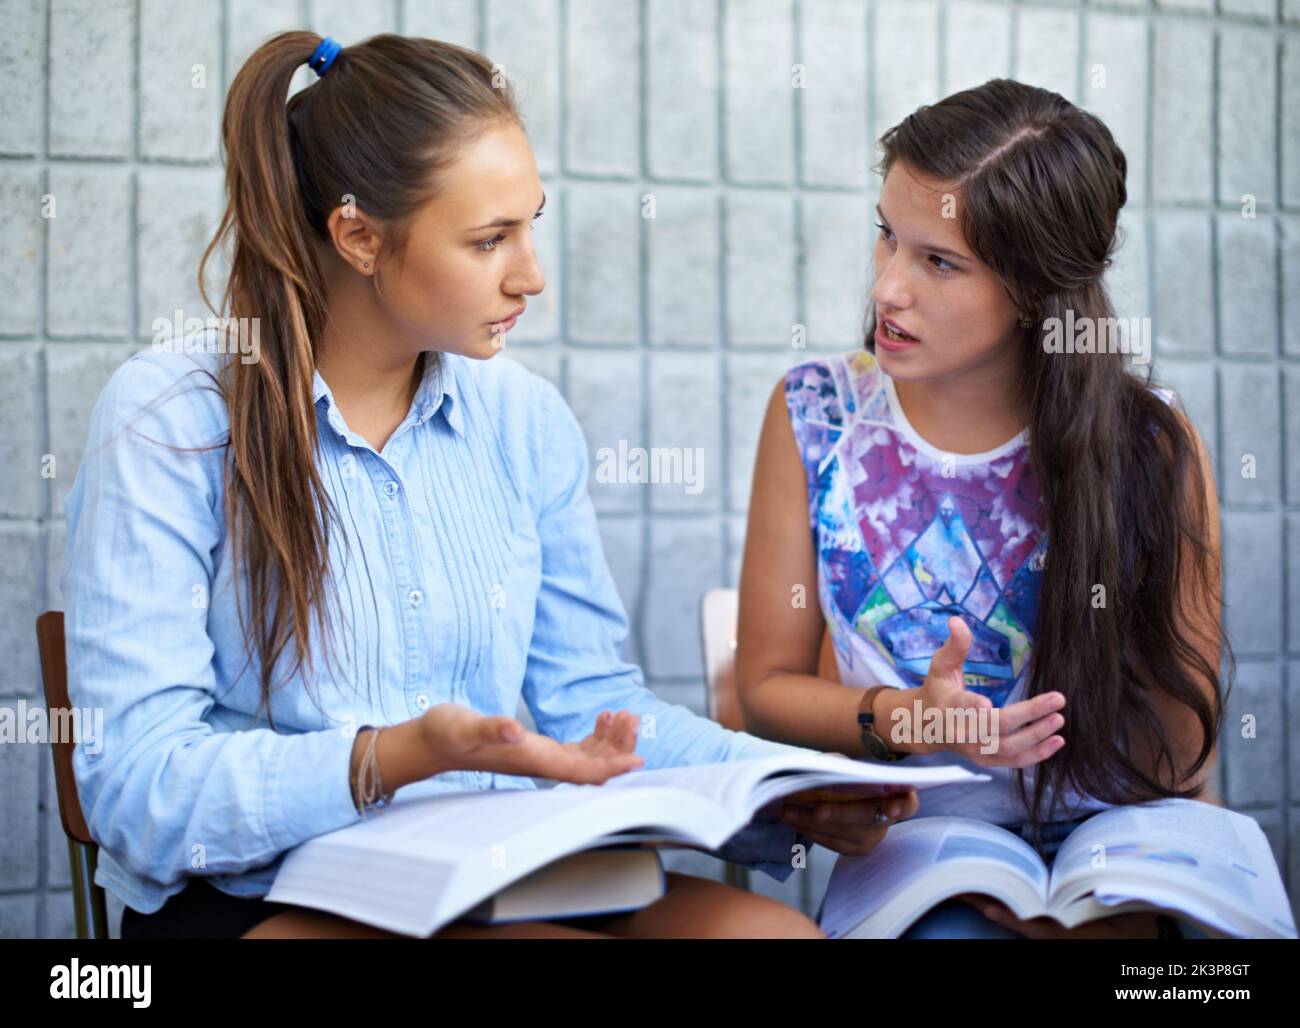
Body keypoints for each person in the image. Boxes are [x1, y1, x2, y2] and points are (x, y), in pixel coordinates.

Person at [62, 32, 918, 941]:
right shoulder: (170, 419)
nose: (531, 275)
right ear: (357, 235)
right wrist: (387, 760)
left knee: (775, 938)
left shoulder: (523, 419)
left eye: (530, 225)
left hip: (496, 869)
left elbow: (591, 699)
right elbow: (135, 786)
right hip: (260, 894)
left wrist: (780, 793)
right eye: (488, 240)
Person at [734, 79, 1227, 939]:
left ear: (1036, 292)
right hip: (919, 856)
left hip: (1112, 850)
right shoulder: (814, 413)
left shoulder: (1149, 442)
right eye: (888, 235)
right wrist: (905, 718)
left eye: (938, 261)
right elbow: (764, 689)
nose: (888, 287)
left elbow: (1183, 749)